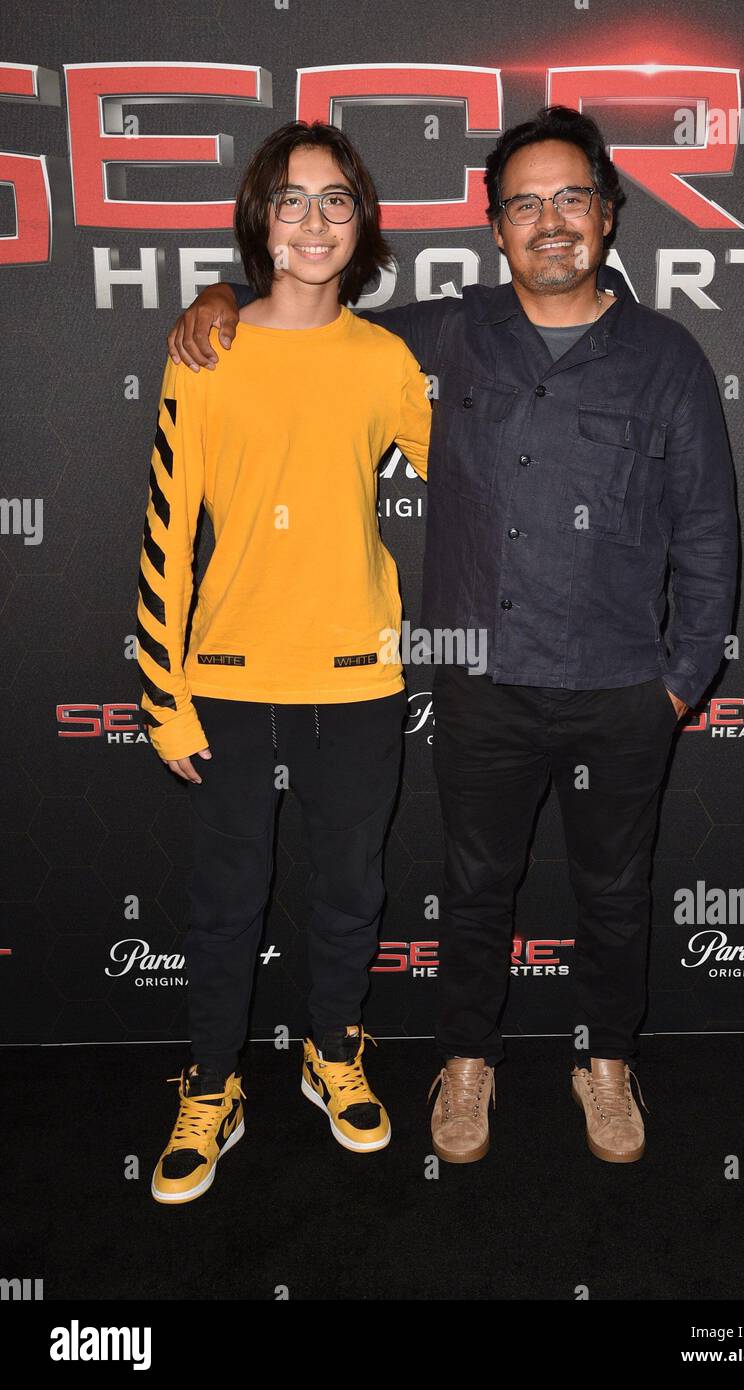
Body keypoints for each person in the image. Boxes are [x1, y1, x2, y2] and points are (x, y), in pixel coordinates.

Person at [167, 105, 739, 1168]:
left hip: (623, 685)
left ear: (606, 216)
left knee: (614, 895)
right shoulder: (438, 334)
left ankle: (605, 1063)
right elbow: (311, 323)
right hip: (484, 682)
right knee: (475, 890)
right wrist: (222, 299)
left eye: (570, 197)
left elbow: (707, 530)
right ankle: (464, 1060)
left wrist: (680, 680)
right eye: (523, 203)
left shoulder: (665, 358)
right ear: (494, 228)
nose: (549, 220)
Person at [136, 119, 431, 1204]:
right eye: (291, 199)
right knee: (226, 900)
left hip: (357, 677)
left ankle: (332, 1051)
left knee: (350, 890)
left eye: (335, 200)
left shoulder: (387, 358)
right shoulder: (204, 351)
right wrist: (161, 699)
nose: (313, 220)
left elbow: (478, 470)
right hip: (227, 679)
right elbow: (167, 533)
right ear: (261, 219)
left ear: (362, 224)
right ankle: (210, 1086)